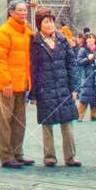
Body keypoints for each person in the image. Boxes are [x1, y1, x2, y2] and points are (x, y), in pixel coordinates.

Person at [29, 10, 81, 167]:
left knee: (67, 123)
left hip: (63, 86)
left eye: (51, 21)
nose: (50, 24)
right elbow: (33, 68)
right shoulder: (35, 42)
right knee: (47, 124)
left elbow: (71, 64)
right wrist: (35, 92)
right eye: (46, 22)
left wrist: (74, 87)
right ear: (39, 25)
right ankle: (49, 156)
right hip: (45, 88)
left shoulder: (63, 39)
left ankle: (70, 157)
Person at [0, 0, 34, 168]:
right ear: (11, 12)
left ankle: (18, 153)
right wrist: (6, 82)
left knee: (19, 122)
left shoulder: (26, 32)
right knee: (5, 122)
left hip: (22, 84)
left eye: (25, 10)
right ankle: (6, 155)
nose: (24, 13)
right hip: (7, 85)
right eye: (20, 11)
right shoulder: (3, 32)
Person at [75, 32, 96, 121]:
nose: (91, 40)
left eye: (92, 38)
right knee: (85, 96)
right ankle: (79, 116)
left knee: (95, 96)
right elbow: (79, 62)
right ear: (85, 40)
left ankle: (94, 115)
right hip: (87, 76)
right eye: (89, 38)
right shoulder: (83, 50)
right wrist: (88, 59)